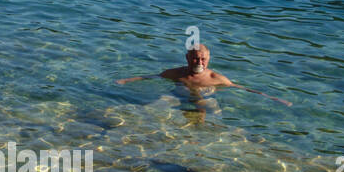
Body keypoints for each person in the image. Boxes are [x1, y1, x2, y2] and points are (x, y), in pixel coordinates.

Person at [116, 43, 290, 106]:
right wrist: (126, 80)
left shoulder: (215, 79)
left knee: (211, 116)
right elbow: (153, 77)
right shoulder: (177, 73)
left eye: (202, 59)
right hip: (178, 97)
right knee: (154, 107)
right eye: (195, 59)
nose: (199, 63)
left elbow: (242, 88)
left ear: (208, 59)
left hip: (206, 99)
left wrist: (273, 98)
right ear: (187, 58)